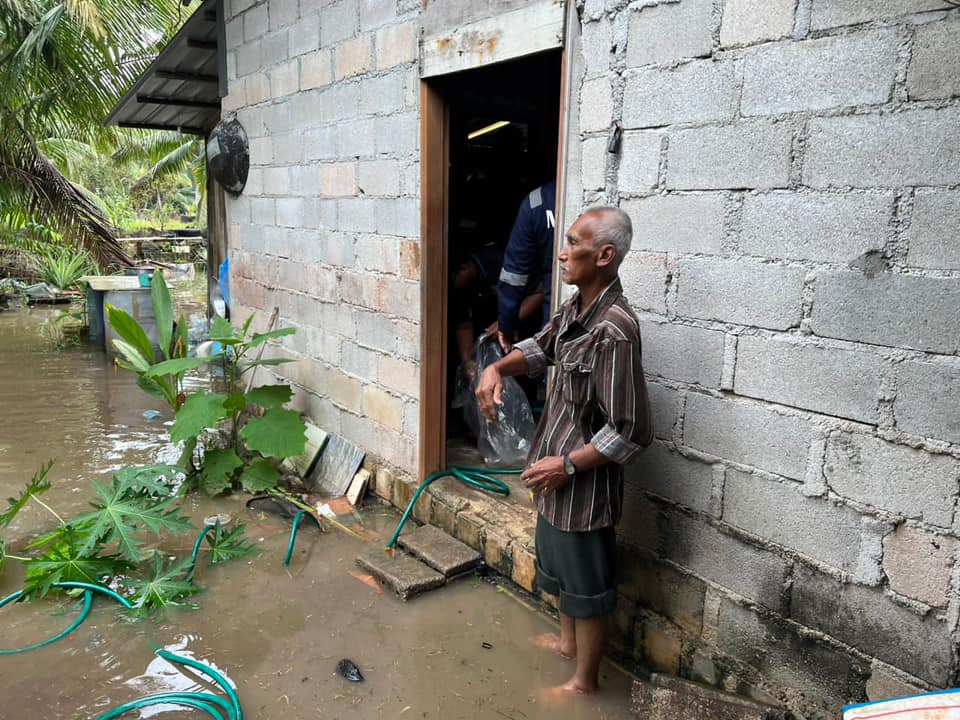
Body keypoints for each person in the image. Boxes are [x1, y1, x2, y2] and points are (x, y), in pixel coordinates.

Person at [476, 206, 653, 696]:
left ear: (604, 255)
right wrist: (495, 370)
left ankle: (583, 685)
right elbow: (541, 347)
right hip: (552, 475)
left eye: (573, 242)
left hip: (582, 485)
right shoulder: (575, 309)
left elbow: (632, 430)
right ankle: (566, 645)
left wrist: (569, 463)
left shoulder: (614, 330)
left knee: (587, 588)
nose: (561, 251)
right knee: (561, 572)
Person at [494, 179, 557, 352]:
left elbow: (514, 274)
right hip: (598, 316)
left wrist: (506, 322)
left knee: (552, 365)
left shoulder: (537, 202)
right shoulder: (596, 202)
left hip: (555, 312)